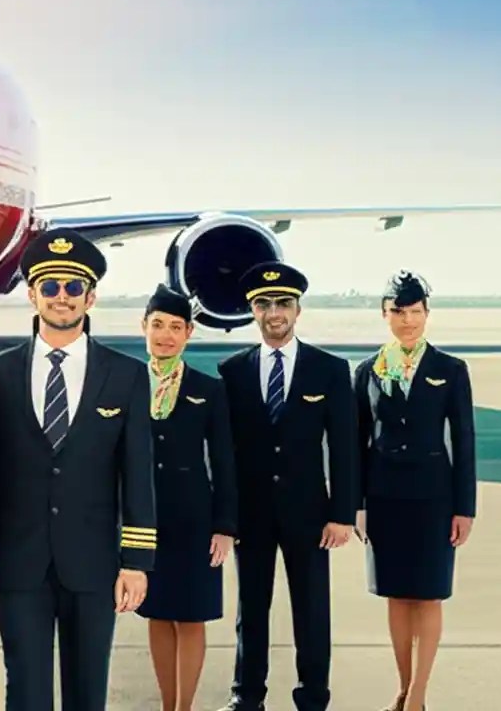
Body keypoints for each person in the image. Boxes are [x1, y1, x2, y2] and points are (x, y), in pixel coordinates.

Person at [0, 230, 157, 711]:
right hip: (18, 563)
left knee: (87, 691)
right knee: (26, 691)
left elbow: (137, 472)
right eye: (51, 286)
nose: (62, 297)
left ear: (91, 295)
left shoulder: (124, 374)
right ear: (32, 294)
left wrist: (137, 561)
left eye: (74, 287)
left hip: (95, 564)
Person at [216, 261, 357, 711]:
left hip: (310, 513)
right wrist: (227, 515)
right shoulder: (232, 371)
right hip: (252, 514)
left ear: (298, 309)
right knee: (250, 611)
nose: (274, 312)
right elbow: (224, 453)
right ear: (251, 311)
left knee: (312, 612)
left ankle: (314, 697)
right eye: (263, 304)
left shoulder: (329, 370)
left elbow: (345, 447)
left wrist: (342, 514)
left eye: (282, 303)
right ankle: (247, 696)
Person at [353, 270, 476, 711]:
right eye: (399, 312)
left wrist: (465, 508)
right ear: (385, 315)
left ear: (427, 315)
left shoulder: (449, 370)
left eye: (416, 312)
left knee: (428, 593)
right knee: (397, 594)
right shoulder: (368, 371)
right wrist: (357, 504)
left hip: (433, 499)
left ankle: (419, 693)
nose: (408, 321)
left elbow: (464, 441)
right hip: (384, 498)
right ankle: (404, 688)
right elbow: (356, 444)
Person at [134, 283, 238, 711]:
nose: (166, 335)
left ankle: (185, 707)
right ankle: (166, 704)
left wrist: (225, 526)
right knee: (158, 613)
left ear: (189, 333)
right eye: (158, 325)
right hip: (144, 518)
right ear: (144, 327)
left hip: (194, 519)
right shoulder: (124, 384)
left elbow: (225, 463)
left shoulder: (207, 389)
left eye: (176, 327)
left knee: (191, 617)